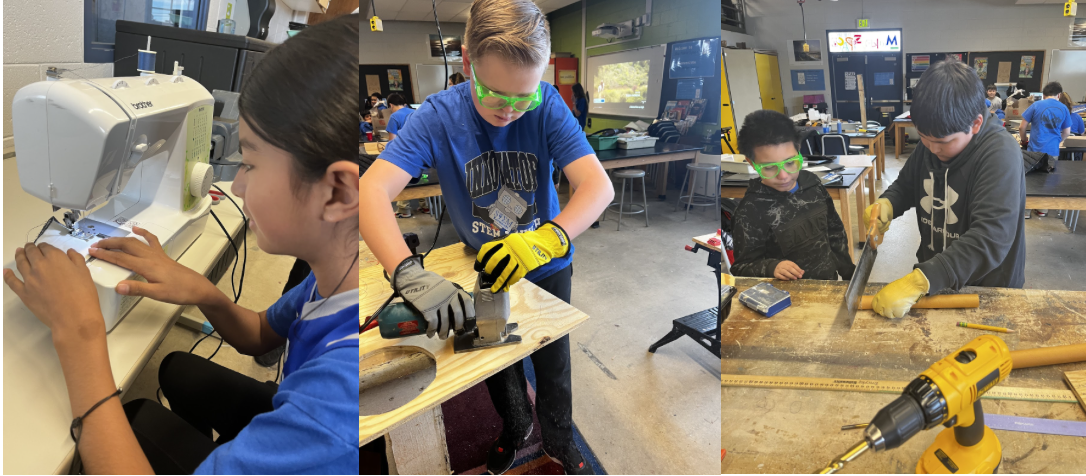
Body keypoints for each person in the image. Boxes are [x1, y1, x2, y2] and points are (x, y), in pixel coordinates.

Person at [3, 14, 359, 475]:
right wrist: (201, 290)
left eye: (248, 163)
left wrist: (81, 334)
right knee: (176, 368)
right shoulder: (334, 278)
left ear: (336, 193)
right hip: (288, 403)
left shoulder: (335, 411)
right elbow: (259, 336)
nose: (240, 185)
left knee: (117, 429)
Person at [359, 0, 613, 473]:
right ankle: (515, 428)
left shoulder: (549, 106)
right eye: (495, 94)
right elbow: (371, 190)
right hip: (486, 264)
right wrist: (407, 272)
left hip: (548, 264)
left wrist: (547, 239)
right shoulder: (437, 115)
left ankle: (558, 439)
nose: (510, 111)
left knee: (553, 362)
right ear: (467, 62)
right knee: (495, 358)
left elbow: (598, 186)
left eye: (524, 97)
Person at [864, 59, 1025, 318]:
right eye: (923, 139)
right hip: (937, 277)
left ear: (975, 123)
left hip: (986, 289)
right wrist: (888, 203)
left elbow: (990, 236)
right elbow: (907, 185)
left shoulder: (999, 153)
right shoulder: (934, 139)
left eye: (941, 142)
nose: (932, 149)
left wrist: (921, 280)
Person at [730, 110, 855, 281]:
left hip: (828, 285)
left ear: (799, 151)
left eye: (790, 163)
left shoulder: (812, 183)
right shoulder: (750, 211)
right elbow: (741, 267)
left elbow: (835, 232)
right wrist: (771, 267)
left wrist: (849, 275)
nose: (783, 176)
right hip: (788, 299)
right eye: (769, 167)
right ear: (752, 163)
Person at [1021, 81, 1074, 218]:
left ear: (1043, 94)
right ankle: (1042, 209)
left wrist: (1023, 140)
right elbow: (1067, 132)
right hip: (1052, 151)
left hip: (1034, 150)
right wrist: (1058, 141)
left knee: (1030, 179)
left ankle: (1026, 212)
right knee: (1047, 180)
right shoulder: (1064, 108)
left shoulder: (1036, 105)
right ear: (1059, 94)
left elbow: (1022, 127)